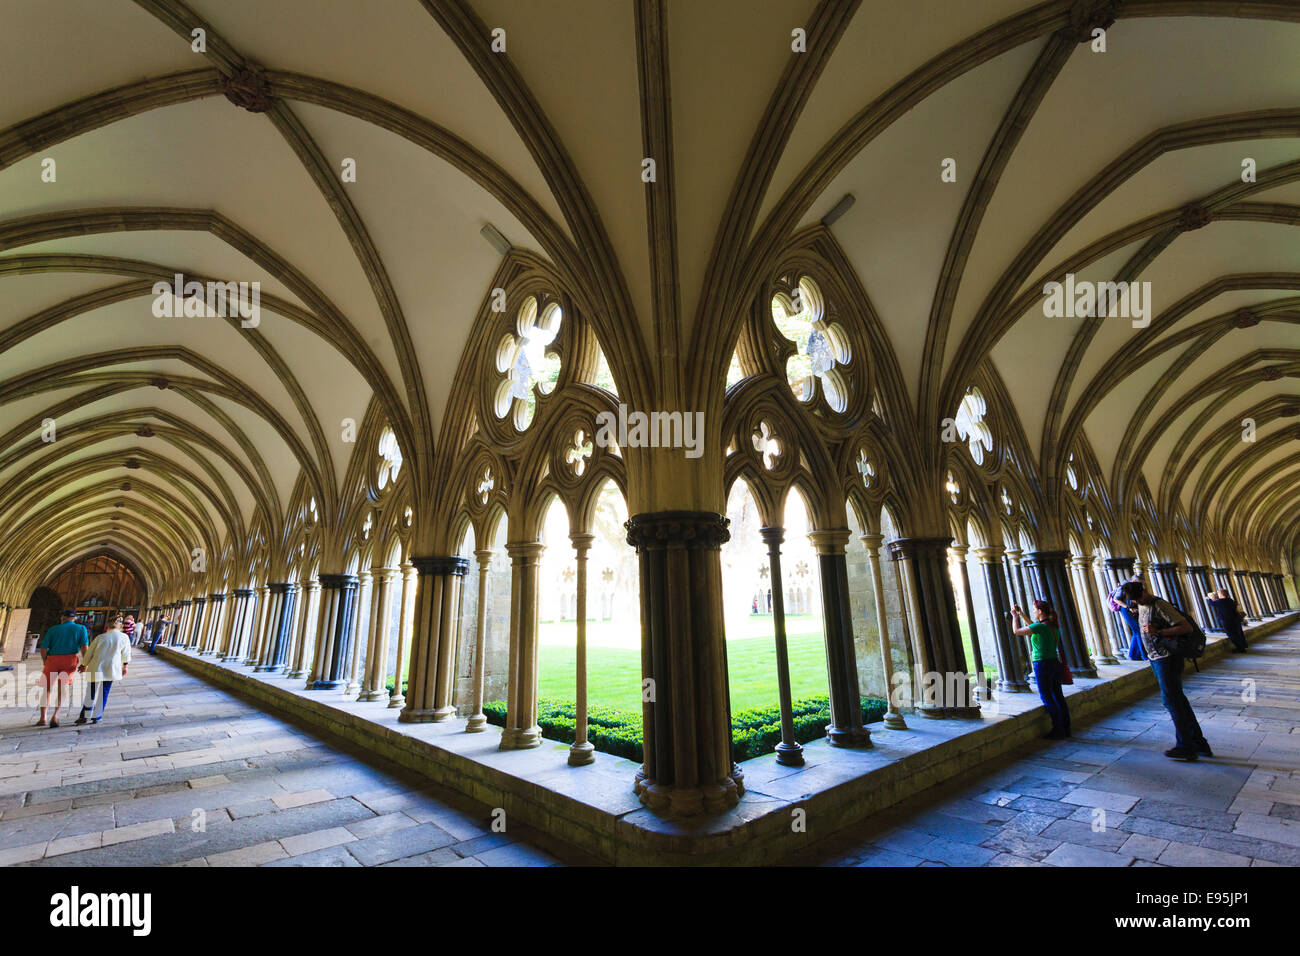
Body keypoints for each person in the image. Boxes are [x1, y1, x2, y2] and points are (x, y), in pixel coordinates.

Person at [1119, 580, 1210, 761]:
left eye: (1137, 599)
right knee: (1177, 699)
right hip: (1157, 658)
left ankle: (1186, 746)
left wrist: (1159, 633)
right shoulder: (1141, 605)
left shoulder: (1160, 605)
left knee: (1171, 701)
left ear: (1144, 592)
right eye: (1133, 601)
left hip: (1167, 658)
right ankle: (1198, 742)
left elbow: (1186, 627)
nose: (1136, 602)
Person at [1011, 599, 1071, 739]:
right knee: (1058, 696)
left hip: (1042, 664)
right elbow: (1033, 625)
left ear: (1040, 611)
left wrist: (1014, 617)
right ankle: (1066, 728)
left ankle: (1058, 729)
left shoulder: (1040, 627)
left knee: (1046, 697)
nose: (1033, 612)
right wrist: (1021, 613)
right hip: (1054, 663)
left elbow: (1016, 631)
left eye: (1034, 610)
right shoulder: (1051, 626)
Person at [36, 610, 90, 728]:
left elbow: (43, 648)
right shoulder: (81, 629)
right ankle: (55, 715)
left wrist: (45, 661)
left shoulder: (53, 629)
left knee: (47, 689)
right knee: (63, 687)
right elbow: (84, 648)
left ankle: (43, 718)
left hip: (53, 659)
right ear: (75, 618)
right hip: (69, 660)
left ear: (62, 618)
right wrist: (85, 664)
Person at [75, 615, 131, 724]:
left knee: (90, 692)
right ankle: (97, 716)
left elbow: (89, 653)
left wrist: (84, 664)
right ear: (120, 626)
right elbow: (126, 654)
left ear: (107, 625)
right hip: (112, 668)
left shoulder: (100, 637)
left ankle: (84, 716)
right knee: (104, 691)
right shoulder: (124, 637)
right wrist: (125, 666)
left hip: (96, 666)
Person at [1206, 588, 1247, 652]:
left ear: (1221, 594)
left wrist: (1208, 599)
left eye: (1218, 593)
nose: (1218, 595)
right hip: (1235, 619)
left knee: (1231, 634)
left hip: (1227, 621)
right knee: (1237, 633)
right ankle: (1242, 647)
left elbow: (1212, 603)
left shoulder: (1221, 601)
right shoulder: (1230, 600)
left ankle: (1240, 648)